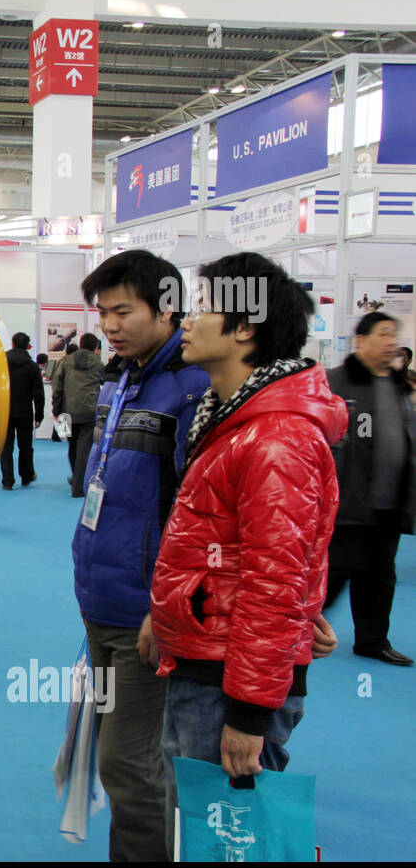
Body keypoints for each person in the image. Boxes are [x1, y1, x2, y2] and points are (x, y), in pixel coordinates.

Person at [150, 253, 346, 833]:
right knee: (202, 830)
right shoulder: (230, 418)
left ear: (245, 328)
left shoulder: (275, 437)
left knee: (231, 838)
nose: (187, 319)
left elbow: (275, 577)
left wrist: (250, 711)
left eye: (204, 307)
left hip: (228, 683)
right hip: (205, 661)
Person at [71, 249, 210, 861]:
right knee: (112, 755)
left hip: (146, 615)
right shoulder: (123, 375)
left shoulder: (193, 386)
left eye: (123, 311)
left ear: (166, 307)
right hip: (100, 599)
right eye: (103, 312)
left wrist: (166, 605)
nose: (110, 324)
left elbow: (196, 512)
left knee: (127, 763)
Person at [322, 311, 416, 666]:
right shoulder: (335, 382)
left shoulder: (398, 384)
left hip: (388, 505)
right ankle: (295, 632)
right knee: (332, 575)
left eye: (394, 334)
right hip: (346, 503)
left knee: (379, 579)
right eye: (383, 334)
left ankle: (372, 641)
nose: (391, 341)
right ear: (361, 340)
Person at [52, 333, 105, 497]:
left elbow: (57, 385)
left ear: (80, 344)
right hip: (89, 412)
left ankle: (76, 476)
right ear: (95, 346)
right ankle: (78, 484)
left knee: (72, 446)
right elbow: (106, 382)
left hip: (67, 412)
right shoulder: (98, 363)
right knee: (85, 449)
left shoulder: (66, 361)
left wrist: (56, 409)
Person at [1, 332, 44, 489]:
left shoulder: (1, 362)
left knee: (6, 447)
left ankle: (7, 480)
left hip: (4, 411)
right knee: (25, 445)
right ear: (27, 346)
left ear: (12, 344)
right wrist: (39, 414)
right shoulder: (32, 366)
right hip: (25, 411)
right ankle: (26, 476)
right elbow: (39, 393)